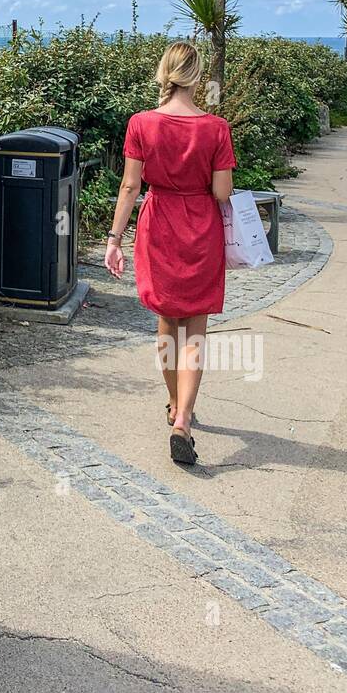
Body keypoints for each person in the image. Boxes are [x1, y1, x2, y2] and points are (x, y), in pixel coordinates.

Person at [104, 42, 236, 466]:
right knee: (195, 328)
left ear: (164, 73)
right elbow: (221, 192)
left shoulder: (141, 123)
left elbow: (129, 187)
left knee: (166, 323)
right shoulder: (216, 128)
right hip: (201, 226)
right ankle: (183, 421)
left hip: (158, 224)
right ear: (197, 78)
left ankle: (174, 403)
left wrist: (113, 239)